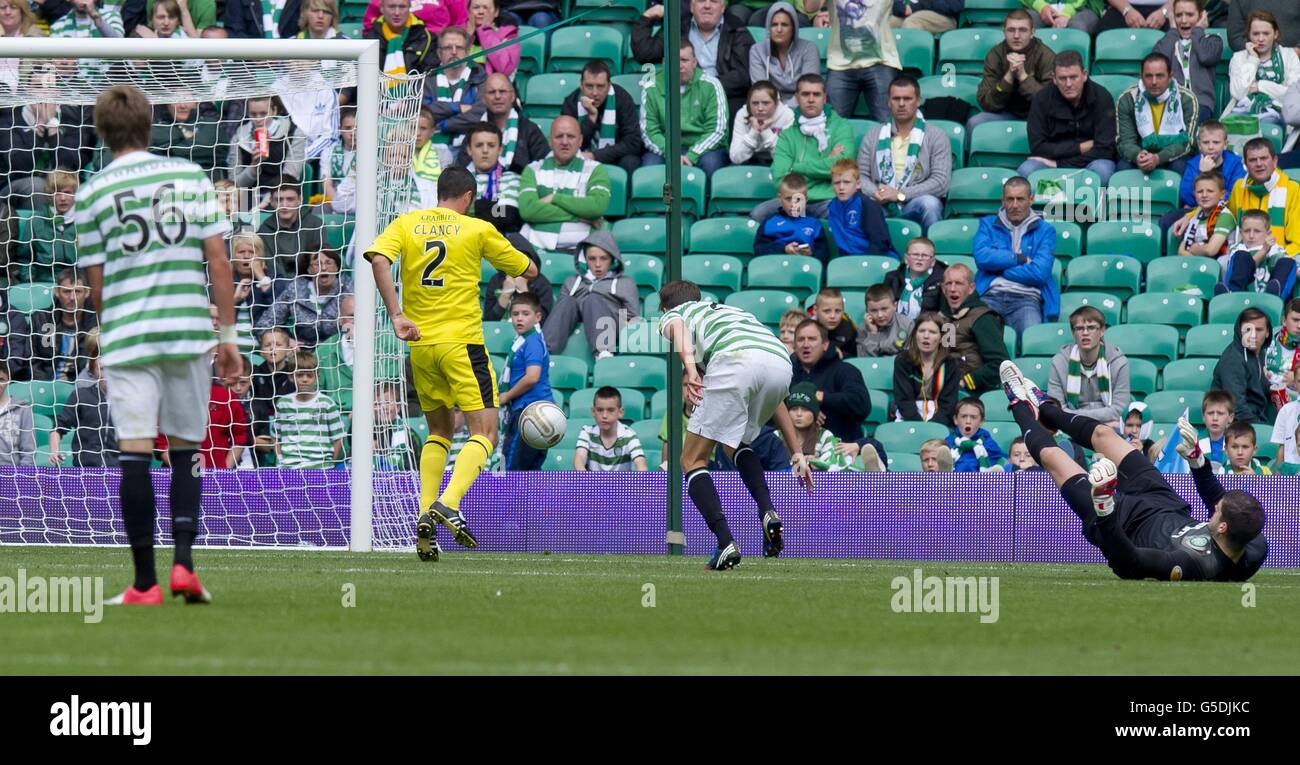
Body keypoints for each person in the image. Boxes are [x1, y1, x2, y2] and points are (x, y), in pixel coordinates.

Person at [74, 84, 238, 606]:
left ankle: (144, 582)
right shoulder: (189, 176)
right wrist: (228, 336)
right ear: (151, 124)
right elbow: (218, 260)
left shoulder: (92, 193)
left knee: (136, 450)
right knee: (187, 448)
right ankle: (185, 566)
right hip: (188, 330)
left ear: (102, 132)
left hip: (129, 335)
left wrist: (115, 323)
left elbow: (95, 287)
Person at [366, 166, 538, 562]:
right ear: (468, 196)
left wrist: (396, 314)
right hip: (461, 344)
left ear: (439, 193)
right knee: (486, 432)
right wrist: (524, 260)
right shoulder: (476, 228)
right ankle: (449, 502)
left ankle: (426, 512)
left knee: (439, 431)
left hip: (420, 345)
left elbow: (377, 259)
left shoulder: (407, 223)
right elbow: (526, 270)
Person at [1001, 359, 1268, 581]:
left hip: (1123, 523)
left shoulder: (1193, 564)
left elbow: (1128, 563)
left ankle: (1018, 404)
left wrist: (1105, 508)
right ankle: (1045, 406)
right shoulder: (1254, 543)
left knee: (1053, 457)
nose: (1214, 505)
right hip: (1164, 502)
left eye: (1218, 510)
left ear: (1222, 527)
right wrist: (1197, 461)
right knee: (1105, 434)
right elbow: (1215, 498)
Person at [658, 279, 811, 570]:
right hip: (779, 362)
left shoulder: (674, 314)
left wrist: (690, 370)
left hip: (734, 361)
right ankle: (767, 510)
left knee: (691, 459)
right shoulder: (732, 313)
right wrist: (797, 452)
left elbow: (676, 328)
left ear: (665, 306)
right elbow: (779, 402)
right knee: (735, 445)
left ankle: (725, 542)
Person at [752, 73, 854, 222]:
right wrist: (826, 163)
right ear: (797, 97)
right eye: (805, 94)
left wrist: (796, 168)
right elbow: (779, 178)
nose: (811, 99)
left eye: (816, 94)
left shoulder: (841, 127)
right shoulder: (788, 135)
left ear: (825, 97)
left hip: (828, 199)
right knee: (758, 214)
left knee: (841, 213)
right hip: (793, 199)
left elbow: (843, 169)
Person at [857, 75, 950, 232]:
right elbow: (860, 175)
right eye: (896, 99)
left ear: (918, 101)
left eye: (907, 99)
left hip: (915, 200)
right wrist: (876, 192)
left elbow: (940, 182)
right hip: (880, 201)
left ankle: (927, 253)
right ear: (888, 102)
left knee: (930, 204)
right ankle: (870, 255)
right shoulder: (873, 135)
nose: (901, 104)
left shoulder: (936, 136)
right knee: (857, 205)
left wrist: (900, 194)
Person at [631, 0, 755, 117]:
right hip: (682, 96)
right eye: (701, 0)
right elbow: (644, 53)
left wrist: (705, 89)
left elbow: (741, 76)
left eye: (714, 1)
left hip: (723, 98)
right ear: (691, 6)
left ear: (723, 8)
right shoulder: (678, 27)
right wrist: (647, 17)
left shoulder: (736, 30)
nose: (707, 5)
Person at [973, 176, 1059, 337]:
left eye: (1020, 199)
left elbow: (1039, 273)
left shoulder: (1046, 231)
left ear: (1031, 200)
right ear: (1002, 200)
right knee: (975, 336)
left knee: (1032, 338)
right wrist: (1019, 259)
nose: (1014, 205)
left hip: (1027, 298)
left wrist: (999, 269)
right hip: (991, 295)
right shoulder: (987, 224)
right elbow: (982, 258)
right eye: (1010, 199)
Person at [1020, 50, 1118, 185]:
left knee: (1103, 171)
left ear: (1084, 75)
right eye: (1062, 78)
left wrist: (1059, 164)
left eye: (1073, 77)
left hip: (1090, 161)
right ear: (1054, 78)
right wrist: (1080, 147)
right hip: (1051, 162)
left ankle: (1092, 206)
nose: (1068, 84)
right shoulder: (1041, 99)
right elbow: (1037, 147)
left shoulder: (1101, 97)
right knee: (1026, 170)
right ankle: (1045, 204)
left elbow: (1105, 149)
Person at [519, 116, 612, 252]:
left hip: (584, 248)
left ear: (580, 141)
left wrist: (554, 198)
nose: (565, 141)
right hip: (537, 246)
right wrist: (579, 215)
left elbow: (597, 207)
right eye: (559, 136)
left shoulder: (596, 169)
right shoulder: (532, 169)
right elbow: (528, 210)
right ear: (550, 141)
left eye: (571, 136)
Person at [542, 229, 639, 359]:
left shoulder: (625, 283)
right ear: (585, 259)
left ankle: (603, 352)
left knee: (593, 299)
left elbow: (633, 318)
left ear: (612, 259)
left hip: (610, 325)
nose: (598, 264)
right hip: (577, 318)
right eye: (592, 259)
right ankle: (543, 352)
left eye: (603, 258)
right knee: (566, 301)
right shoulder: (572, 282)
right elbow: (561, 314)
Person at [640, 40, 730, 176]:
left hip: (704, 148)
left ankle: (704, 197)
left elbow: (717, 130)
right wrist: (672, 153)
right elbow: (649, 131)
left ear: (694, 62)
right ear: (664, 63)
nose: (679, 66)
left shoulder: (711, 85)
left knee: (711, 163)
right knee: (650, 167)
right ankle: (661, 199)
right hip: (666, 147)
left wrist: (692, 155)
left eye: (684, 60)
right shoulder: (651, 85)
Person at [800, 0, 900, 121]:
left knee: (888, 126)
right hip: (840, 65)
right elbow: (810, 7)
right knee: (832, 127)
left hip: (880, 61)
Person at [971, 8, 1057, 132]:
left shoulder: (1046, 56)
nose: (1016, 36)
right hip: (1005, 113)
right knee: (975, 123)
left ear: (1032, 32)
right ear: (1004, 32)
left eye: (1022, 30)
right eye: (1011, 30)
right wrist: (1009, 77)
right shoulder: (995, 55)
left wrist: (1023, 76)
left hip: (1039, 117)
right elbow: (986, 102)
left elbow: (1050, 103)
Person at [1046, 306, 1131, 428]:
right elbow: (1057, 411)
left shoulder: (1119, 363)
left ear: (1102, 331)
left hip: (1108, 430)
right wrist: (1100, 421)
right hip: (1073, 428)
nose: (1085, 333)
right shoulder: (1059, 362)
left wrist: (1076, 416)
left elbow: (1119, 410)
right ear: (1073, 333)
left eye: (1091, 327)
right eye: (1079, 328)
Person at [496, 293, 554, 472]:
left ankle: (510, 501)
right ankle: (535, 501)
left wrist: (506, 396)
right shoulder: (525, 340)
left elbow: (532, 377)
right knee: (530, 471)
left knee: (513, 469)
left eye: (525, 314)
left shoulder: (532, 342)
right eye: (515, 314)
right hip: (537, 414)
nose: (519, 318)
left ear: (538, 317)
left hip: (530, 412)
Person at [1114, 53, 1199, 175]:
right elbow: (1125, 142)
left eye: (1160, 76)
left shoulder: (1186, 99)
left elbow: (1186, 143)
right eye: (1148, 76)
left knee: (1180, 166)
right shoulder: (1128, 99)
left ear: (1170, 77)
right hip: (1141, 153)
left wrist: (1158, 158)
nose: (1154, 82)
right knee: (1123, 167)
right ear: (1141, 77)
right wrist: (1138, 155)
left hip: (1174, 155)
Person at [790, 318, 871, 440]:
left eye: (812, 339)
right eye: (801, 339)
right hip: (792, 448)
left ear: (825, 344)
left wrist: (822, 397)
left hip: (839, 446)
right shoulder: (786, 372)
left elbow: (861, 405)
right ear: (794, 345)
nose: (806, 344)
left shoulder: (845, 370)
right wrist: (807, 407)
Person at [560, 60, 644, 177]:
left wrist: (596, 156)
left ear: (609, 85)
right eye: (589, 86)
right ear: (581, 85)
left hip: (616, 156)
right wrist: (591, 119)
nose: (594, 92)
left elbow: (633, 142)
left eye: (600, 86)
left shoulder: (622, 99)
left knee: (630, 162)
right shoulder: (571, 102)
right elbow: (569, 143)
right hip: (582, 156)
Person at [49, 329, 118, 468]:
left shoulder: (129, 400)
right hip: (86, 470)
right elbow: (58, 428)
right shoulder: (81, 395)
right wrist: (54, 450)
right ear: (94, 370)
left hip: (120, 471)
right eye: (103, 368)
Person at [256, 249, 352, 348]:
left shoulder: (349, 289)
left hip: (340, 350)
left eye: (328, 263)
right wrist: (286, 341)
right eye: (317, 264)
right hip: (303, 354)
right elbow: (264, 324)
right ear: (308, 270)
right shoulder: (295, 289)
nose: (323, 268)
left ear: (337, 267)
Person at [455, 73, 549, 173]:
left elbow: (543, 166)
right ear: (483, 99)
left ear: (512, 96)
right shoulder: (475, 132)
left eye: (502, 91)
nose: (497, 96)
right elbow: (462, 167)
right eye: (492, 92)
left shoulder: (530, 130)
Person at [940, 263, 1009, 394]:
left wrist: (966, 382)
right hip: (943, 388)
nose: (953, 288)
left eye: (959, 283)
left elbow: (1000, 364)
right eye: (948, 284)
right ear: (943, 289)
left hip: (971, 393)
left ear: (971, 288)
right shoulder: (941, 317)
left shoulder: (982, 318)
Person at [227, 96, 306, 211]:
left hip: (280, 196)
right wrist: (254, 167)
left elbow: (289, 178)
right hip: (247, 196)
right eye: (253, 114)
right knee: (244, 222)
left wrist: (266, 202)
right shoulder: (239, 136)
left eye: (263, 114)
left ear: (274, 111)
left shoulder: (294, 133)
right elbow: (235, 184)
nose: (258, 119)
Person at [1224, 10, 1300, 128]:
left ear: (1275, 34)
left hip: (1280, 112)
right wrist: (1253, 59)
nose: (1260, 38)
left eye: (1266, 33)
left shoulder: (1289, 56)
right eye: (1256, 34)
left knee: (1266, 125)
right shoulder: (1239, 58)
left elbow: (1293, 96)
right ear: (1249, 35)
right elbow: (1239, 93)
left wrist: (1260, 86)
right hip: (1243, 112)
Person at [271, 350, 345, 468]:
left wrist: (330, 464)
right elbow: (275, 437)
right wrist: (281, 460)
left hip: (320, 468)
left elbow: (338, 438)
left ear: (317, 377)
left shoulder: (327, 403)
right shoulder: (283, 404)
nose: (304, 379)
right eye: (300, 375)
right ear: (291, 376)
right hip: (289, 468)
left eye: (309, 375)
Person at [1227, 138, 1300, 257]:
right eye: (1252, 160)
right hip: (1244, 257)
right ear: (1245, 164)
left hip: (1281, 257)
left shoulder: (1293, 189)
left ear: (1275, 161)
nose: (1259, 164)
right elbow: (1224, 214)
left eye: (1264, 158)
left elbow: (1297, 242)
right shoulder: (1239, 187)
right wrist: (1192, 214)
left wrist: (1271, 259)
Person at [1152, 0, 1223, 120]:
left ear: (1201, 16)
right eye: (1178, 15)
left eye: (1190, 15)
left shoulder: (1212, 40)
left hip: (1200, 104)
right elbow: (1158, 64)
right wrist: (1173, 30)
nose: (1184, 20)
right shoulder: (1168, 41)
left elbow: (1205, 57)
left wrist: (1198, 30)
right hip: (1169, 102)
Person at [1168, 121, 1244, 231]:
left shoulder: (1235, 164)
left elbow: (1235, 194)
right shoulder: (1193, 164)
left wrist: (1207, 176)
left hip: (1225, 211)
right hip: (1196, 210)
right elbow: (1187, 197)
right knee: (1168, 220)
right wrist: (1201, 173)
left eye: (1216, 142)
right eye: (1206, 142)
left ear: (1225, 144)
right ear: (1199, 145)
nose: (1211, 147)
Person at [892, 310, 961, 425]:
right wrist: (919, 425)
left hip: (940, 421)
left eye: (932, 332)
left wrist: (932, 427)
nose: (926, 336)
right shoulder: (903, 361)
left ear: (941, 338)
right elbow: (904, 400)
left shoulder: (950, 364)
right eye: (922, 331)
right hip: (909, 418)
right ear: (915, 334)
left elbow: (948, 404)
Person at [30, 268, 98, 383]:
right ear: (57, 292)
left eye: (77, 291)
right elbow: (30, 359)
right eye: (67, 291)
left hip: (81, 387)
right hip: (44, 386)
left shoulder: (96, 324)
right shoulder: (40, 319)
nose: (72, 298)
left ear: (87, 293)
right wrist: (46, 386)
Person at [1211, 306, 1276, 425]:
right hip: (1237, 427)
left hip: (1255, 418)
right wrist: (1261, 429)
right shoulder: (1233, 359)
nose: (1253, 335)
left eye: (1259, 330)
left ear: (1267, 333)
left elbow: (1258, 387)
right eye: (1248, 330)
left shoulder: (1260, 353)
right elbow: (1237, 407)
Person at [426, 25, 487, 149]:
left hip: (468, 149)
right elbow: (424, 113)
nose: (454, 52)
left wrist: (444, 124)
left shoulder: (481, 78)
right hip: (430, 148)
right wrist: (457, 108)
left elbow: (479, 114)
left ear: (468, 51)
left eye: (459, 47)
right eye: (448, 47)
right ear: (439, 53)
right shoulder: (427, 80)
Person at [15, 169, 79, 286]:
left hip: (77, 283)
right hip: (44, 282)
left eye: (68, 192)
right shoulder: (36, 220)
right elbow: (25, 258)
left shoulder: (83, 219)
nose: (63, 198)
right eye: (57, 193)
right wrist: (30, 281)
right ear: (49, 195)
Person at [199, 333, 253, 470]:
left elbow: (240, 434)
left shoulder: (226, 396)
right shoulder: (172, 395)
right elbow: (162, 440)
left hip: (218, 472)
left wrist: (224, 469)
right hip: (181, 473)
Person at [749, 2, 820, 104]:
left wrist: (784, 112)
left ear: (793, 28)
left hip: (802, 108)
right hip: (768, 108)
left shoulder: (809, 49)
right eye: (774, 25)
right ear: (768, 28)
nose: (779, 29)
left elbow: (808, 89)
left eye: (784, 25)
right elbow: (761, 92)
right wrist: (777, 112)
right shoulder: (756, 51)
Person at [256, 181, 324, 280]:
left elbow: (322, 260)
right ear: (271, 201)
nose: (284, 205)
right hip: (279, 287)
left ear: (300, 200)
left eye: (290, 199)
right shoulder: (264, 230)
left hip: (312, 284)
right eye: (279, 200)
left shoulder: (316, 224)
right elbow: (271, 268)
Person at [753, 172, 828, 262]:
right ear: (780, 198)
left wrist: (811, 254)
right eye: (788, 199)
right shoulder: (770, 222)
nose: (793, 204)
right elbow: (759, 251)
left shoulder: (814, 224)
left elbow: (823, 256)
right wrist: (784, 249)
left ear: (806, 199)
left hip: (805, 269)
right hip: (776, 269)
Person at [827, 158, 894, 257]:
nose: (841, 187)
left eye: (846, 182)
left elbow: (880, 242)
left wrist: (865, 264)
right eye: (837, 183)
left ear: (858, 184)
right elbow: (842, 243)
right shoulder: (833, 206)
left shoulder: (867, 205)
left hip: (875, 259)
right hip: (850, 260)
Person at [1218, 208, 1293, 295]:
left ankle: (1275, 296)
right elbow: (1246, 267)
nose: (1251, 236)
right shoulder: (1238, 248)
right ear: (1241, 233)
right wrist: (1264, 250)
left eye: (1257, 231)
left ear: (1268, 233)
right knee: (1242, 256)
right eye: (1247, 231)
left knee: (1288, 262)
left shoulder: (1274, 248)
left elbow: (1294, 268)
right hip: (1242, 294)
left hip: (1267, 295)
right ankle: (1233, 292)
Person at [573, 386, 649, 472]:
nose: (604, 415)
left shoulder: (629, 435)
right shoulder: (587, 432)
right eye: (600, 410)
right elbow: (579, 457)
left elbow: (640, 462)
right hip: (592, 484)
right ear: (593, 411)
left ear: (620, 412)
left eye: (610, 410)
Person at [786, 382, 858, 471]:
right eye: (794, 409)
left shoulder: (826, 436)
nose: (799, 414)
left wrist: (816, 462)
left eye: (805, 410)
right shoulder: (776, 436)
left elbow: (830, 465)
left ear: (815, 413)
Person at [250, 327, 298, 458]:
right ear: (261, 352)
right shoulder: (254, 374)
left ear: (288, 350)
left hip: (287, 426)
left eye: (278, 344)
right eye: (267, 345)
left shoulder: (293, 375)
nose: (272, 349)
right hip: (261, 427)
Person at [363, 0, 438, 79]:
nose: (397, 13)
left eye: (402, 7)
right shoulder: (371, 38)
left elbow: (429, 79)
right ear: (382, 8)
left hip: (416, 90)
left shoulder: (426, 39)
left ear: (410, 7)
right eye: (391, 7)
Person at [730, 80, 796, 167]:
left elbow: (786, 158)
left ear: (776, 104)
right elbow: (735, 158)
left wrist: (765, 131)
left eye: (766, 103)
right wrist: (754, 131)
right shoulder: (742, 114)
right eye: (755, 103)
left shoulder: (787, 115)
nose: (760, 108)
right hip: (750, 160)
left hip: (777, 162)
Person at [483, 238, 552, 321]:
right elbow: (489, 321)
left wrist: (524, 291)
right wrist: (505, 294)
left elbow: (543, 322)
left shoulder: (541, 283)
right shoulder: (497, 280)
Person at [884, 235, 947, 318]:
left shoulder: (942, 279)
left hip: (927, 327)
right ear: (906, 259)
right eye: (915, 254)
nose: (919, 258)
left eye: (924, 255)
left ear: (932, 262)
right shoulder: (892, 278)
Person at [946, 398, 1007, 472]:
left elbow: (1002, 460)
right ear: (955, 420)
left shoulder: (988, 442)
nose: (968, 421)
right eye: (964, 416)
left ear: (981, 421)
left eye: (973, 417)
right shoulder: (948, 442)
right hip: (953, 481)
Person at [857, 283, 913, 357]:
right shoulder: (863, 328)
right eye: (874, 310)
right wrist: (873, 334)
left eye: (884, 309)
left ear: (894, 306)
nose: (880, 315)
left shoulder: (907, 324)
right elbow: (864, 360)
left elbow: (912, 357)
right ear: (867, 311)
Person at [467, 0, 518, 78]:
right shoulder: (459, 31)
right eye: (476, 7)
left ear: (496, 12)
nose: (481, 11)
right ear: (468, 10)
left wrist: (485, 31)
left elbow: (505, 69)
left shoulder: (508, 33)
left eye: (485, 8)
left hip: (494, 87)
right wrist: (466, 38)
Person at [1226, 0, 1300, 52]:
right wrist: (1260, 55)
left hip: (1296, 62)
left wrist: (1297, 51)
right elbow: (1235, 36)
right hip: (1252, 64)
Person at [0, 363, 34, 467]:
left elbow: (28, 452)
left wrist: (20, 478)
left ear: (8, 380)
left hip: (11, 475)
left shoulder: (23, 409)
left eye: (1, 379)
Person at [813, 287, 855, 358]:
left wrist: (842, 354)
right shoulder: (807, 329)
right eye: (827, 311)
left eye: (838, 311)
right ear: (815, 310)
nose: (833, 316)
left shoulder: (848, 330)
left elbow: (854, 357)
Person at [225, 0, 302, 38]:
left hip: (293, 63)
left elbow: (308, 31)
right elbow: (234, 31)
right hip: (251, 65)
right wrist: (254, 52)